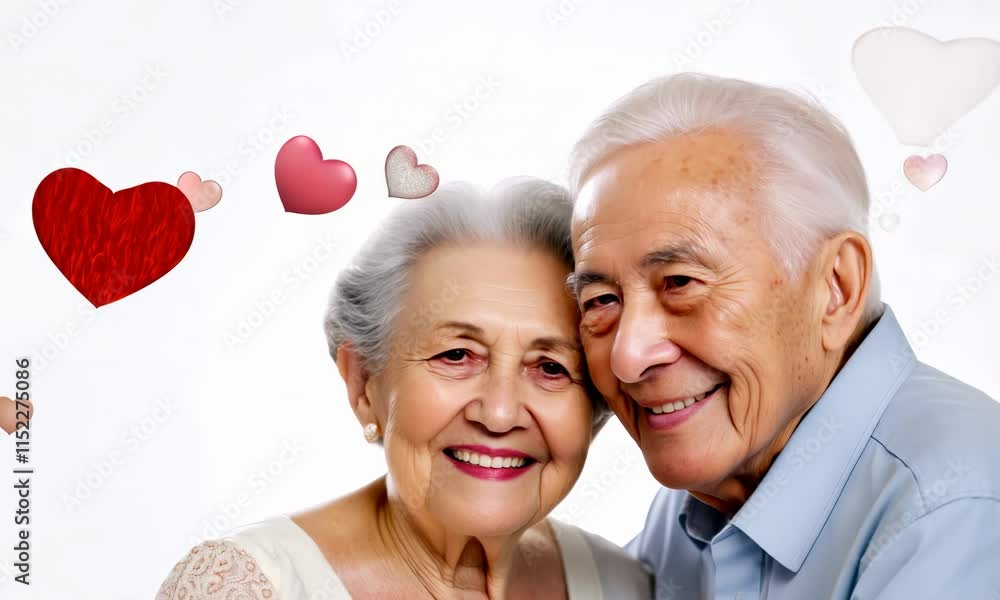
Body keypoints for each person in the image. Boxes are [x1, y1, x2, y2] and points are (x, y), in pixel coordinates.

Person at [565, 72, 1000, 598]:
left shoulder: (953, 508)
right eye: (601, 301)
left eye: (681, 282)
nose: (629, 357)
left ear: (836, 288)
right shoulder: (705, 493)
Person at [156, 178, 653, 599]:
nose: (500, 414)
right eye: (456, 355)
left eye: (549, 367)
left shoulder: (623, 584)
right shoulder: (245, 587)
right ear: (363, 382)